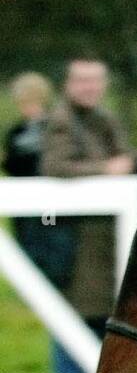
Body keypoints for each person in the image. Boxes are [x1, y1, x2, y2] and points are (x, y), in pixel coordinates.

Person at [40, 56, 137, 373]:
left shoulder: (105, 118)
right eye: (82, 80)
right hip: (76, 237)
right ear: (68, 84)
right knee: (77, 308)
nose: (90, 87)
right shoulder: (61, 121)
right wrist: (106, 169)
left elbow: (122, 159)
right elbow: (55, 166)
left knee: (107, 307)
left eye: (95, 80)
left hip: (106, 233)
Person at [4, 74, 78, 306]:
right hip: (24, 206)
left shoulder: (54, 128)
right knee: (28, 250)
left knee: (55, 250)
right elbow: (13, 165)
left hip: (51, 205)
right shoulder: (16, 132)